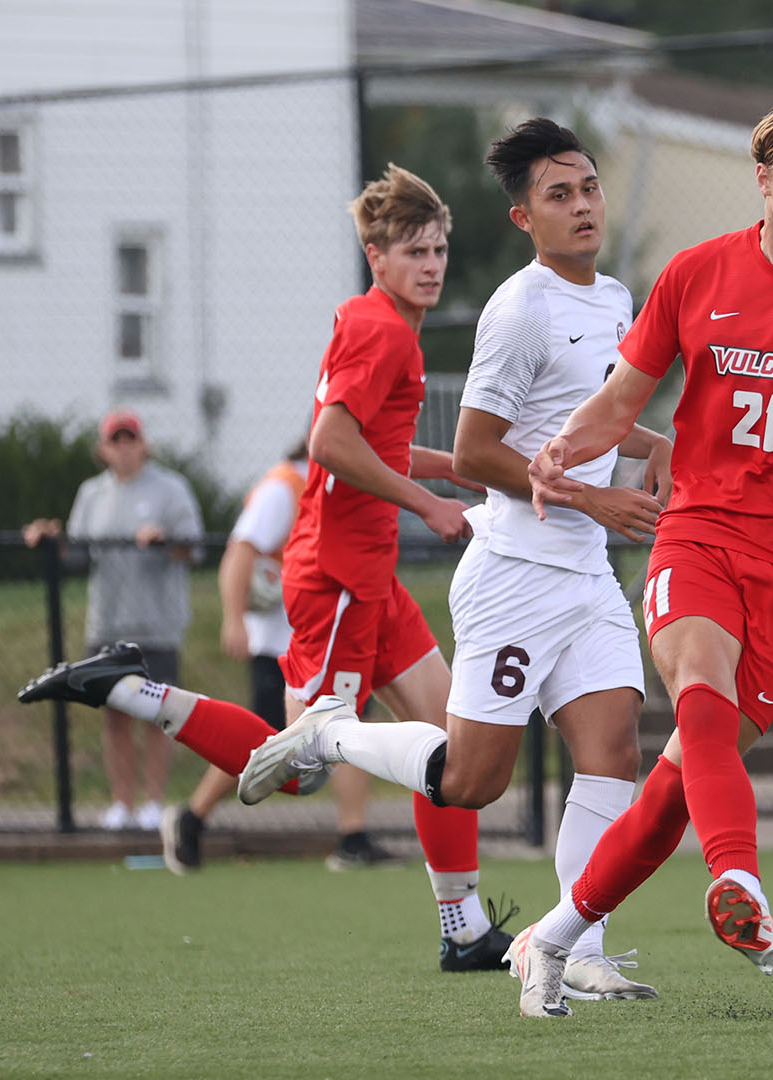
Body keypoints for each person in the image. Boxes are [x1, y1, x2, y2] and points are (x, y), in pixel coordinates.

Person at [506, 94, 773, 1018]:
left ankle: (550, 939)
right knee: (699, 694)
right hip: (700, 530)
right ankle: (739, 882)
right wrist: (562, 448)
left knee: (675, 786)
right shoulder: (695, 274)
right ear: (764, 177)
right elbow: (622, 403)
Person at [20, 165, 515, 973]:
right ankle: (124, 687)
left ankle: (462, 930)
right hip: (341, 579)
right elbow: (328, 442)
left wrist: (451, 468)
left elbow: (370, 442)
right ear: (375, 255)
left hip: (373, 578)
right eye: (413, 251)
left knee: (458, 753)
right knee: (301, 771)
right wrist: (426, 503)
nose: (431, 265)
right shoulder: (380, 328)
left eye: (439, 250)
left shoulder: (385, 323)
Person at [239, 119, 670, 1002]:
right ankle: (331, 731)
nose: (583, 205)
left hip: (583, 571)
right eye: (560, 195)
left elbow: (584, 421)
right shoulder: (520, 309)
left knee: (614, 752)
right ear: (524, 218)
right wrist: (594, 496)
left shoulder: (621, 297)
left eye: (588, 187)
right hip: (513, 573)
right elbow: (475, 455)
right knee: (472, 783)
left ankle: (568, 946)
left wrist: (652, 441)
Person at [158, 440, 403, 875]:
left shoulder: (324, 483)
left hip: (318, 637)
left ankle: (353, 836)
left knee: (346, 722)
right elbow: (240, 551)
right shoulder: (285, 487)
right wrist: (233, 619)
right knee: (265, 738)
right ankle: (191, 818)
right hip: (280, 642)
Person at [22, 409, 202, 832]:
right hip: (107, 625)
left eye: (130, 439)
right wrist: (50, 540)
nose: (123, 448)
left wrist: (163, 542)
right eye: (115, 441)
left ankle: (154, 803)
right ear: (103, 449)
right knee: (115, 715)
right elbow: (78, 554)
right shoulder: (91, 494)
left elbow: (193, 549)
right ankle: (122, 804)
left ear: (144, 445)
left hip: (157, 625)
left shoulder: (171, 489)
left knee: (158, 715)